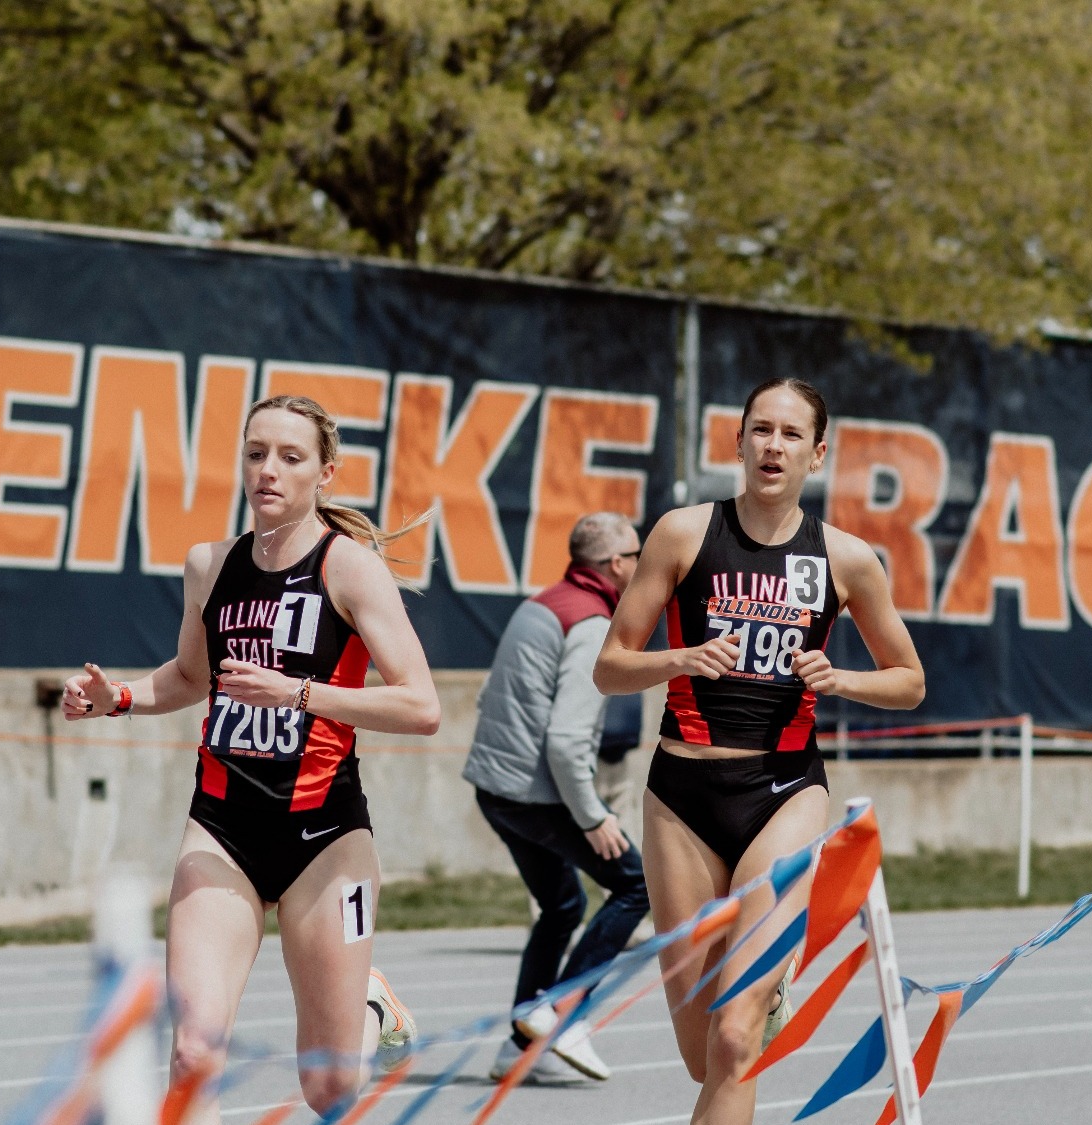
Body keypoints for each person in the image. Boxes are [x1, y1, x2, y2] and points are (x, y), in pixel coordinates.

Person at [63, 395, 439, 1124]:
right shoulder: (210, 564)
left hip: (325, 836)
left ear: (325, 472)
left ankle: (373, 1007)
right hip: (222, 828)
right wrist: (117, 697)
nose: (268, 470)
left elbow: (422, 706)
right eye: (256, 452)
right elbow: (189, 677)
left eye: (290, 457)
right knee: (192, 1056)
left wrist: (300, 693)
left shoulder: (350, 570)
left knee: (328, 1087)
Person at [593, 377, 924, 1125]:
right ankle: (759, 988)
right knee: (699, 1048)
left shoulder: (846, 558)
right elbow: (610, 664)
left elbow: (910, 681)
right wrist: (679, 660)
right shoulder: (682, 533)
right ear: (736, 441)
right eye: (761, 430)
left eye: (791, 434)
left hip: (785, 791)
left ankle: (757, 993)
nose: (773, 445)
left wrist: (841, 678)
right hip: (681, 793)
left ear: (817, 452)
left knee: (735, 1040)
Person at [463, 511, 651, 1084]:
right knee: (635, 884)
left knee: (564, 905)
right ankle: (568, 1018)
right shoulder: (591, 622)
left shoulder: (541, 601)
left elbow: (489, 699)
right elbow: (567, 741)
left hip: (496, 790)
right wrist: (593, 815)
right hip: (535, 796)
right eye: (638, 555)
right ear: (617, 565)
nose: (645, 565)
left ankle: (520, 1048)